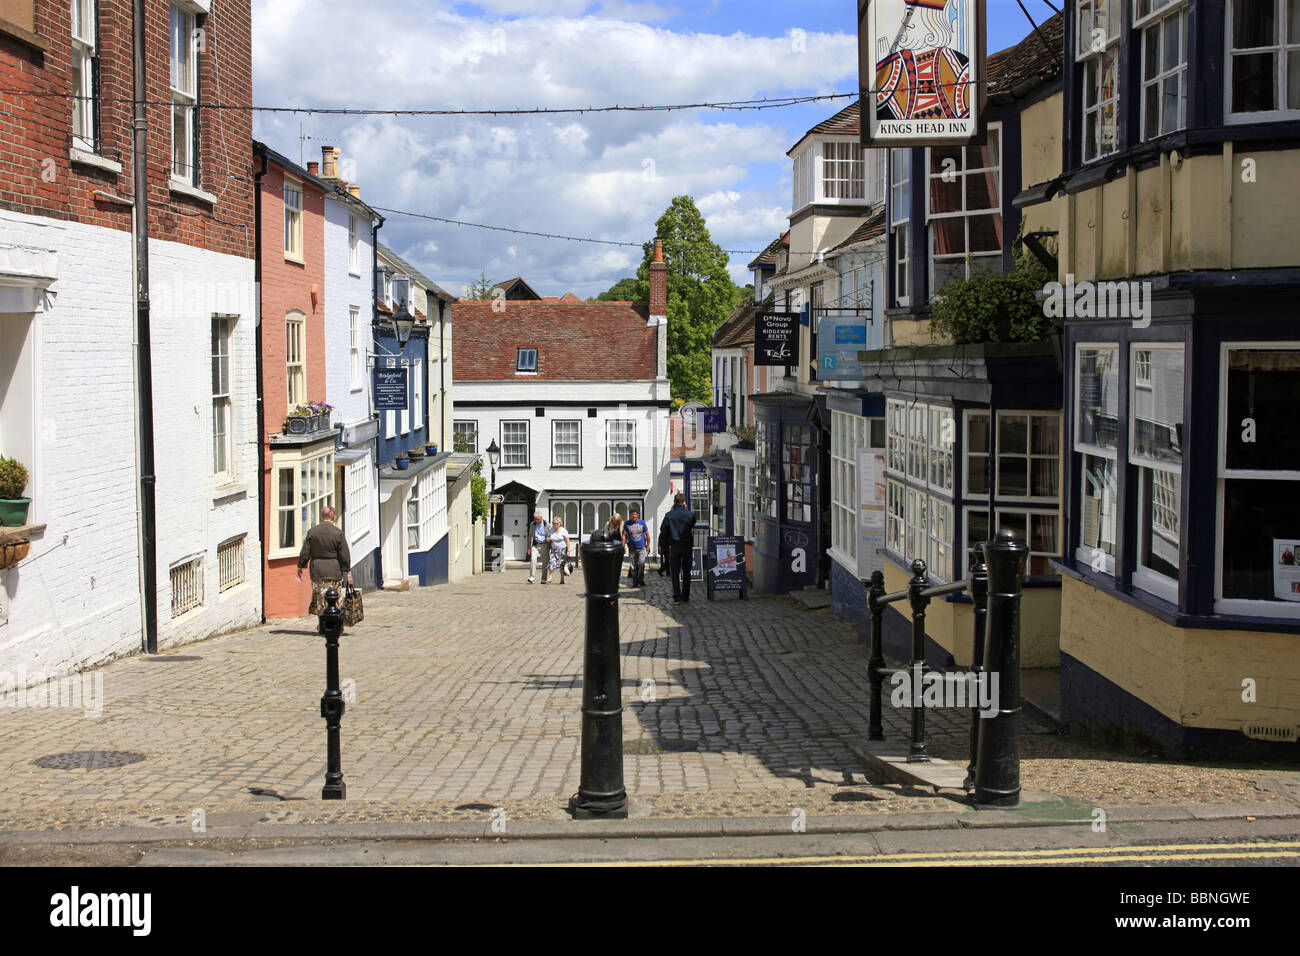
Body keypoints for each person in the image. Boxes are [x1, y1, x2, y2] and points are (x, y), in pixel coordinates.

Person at [297, 506, 352, 619]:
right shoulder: (338, 533)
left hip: (317, 570)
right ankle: (334, 624)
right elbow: (344, 555)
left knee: (320, 598)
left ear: (323, 516)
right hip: (334, 570)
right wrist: (348, 571)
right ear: (334, 516)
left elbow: (305, 552)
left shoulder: (312, 532)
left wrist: (300, 567)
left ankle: (322, 625)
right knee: (334, 598)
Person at [659, 492, 697, 605]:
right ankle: (686, 595)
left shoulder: (669, 515)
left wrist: (664, 547)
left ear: (674, 502)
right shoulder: (690, 514)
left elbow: (663, 531)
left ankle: (677, 596)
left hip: (675, 547)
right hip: (687, 546)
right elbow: (692, 524)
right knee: (686, 571)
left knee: (675, 572)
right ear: (684, 502)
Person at [623, 508, 650, 587]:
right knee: (633, 566)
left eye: (635, 514)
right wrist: (623, 546)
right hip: (632, 548)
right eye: (632, 514)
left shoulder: (642, 523)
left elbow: (647, 535)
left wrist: (648, 546)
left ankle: (641, 580)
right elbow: (624, 535)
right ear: (630, 515)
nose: (633, 516)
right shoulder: (627, 524)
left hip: (641, 548)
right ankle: (635, 582)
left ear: (637, 514)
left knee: (641, 564)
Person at [545, 516, 571, 584]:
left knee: (561, 565)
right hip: (554, 550)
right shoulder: (551, 530)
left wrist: (568, 550)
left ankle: (562, 579)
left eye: (556, 523)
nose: (555, 524)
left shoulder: (563, 530)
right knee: (551, 562)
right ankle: (550, 577)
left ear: (560, 524)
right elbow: (548, 537)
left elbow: (567, 541)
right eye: (554, 523)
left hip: (562, 550)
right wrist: (548, 539)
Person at [528, 511, 550, 583]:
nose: (537, 521)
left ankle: (543, 579)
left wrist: (549, 539)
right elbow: (530, 536)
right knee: (533, 559)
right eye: (536, 519)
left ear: (541, 518)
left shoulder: (547, 524)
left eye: (538, 519)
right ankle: (532, 577)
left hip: (544, 544)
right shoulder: (532, 524)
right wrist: (529, 548)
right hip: (535, 544)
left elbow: (550, 534)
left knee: (545, 562)